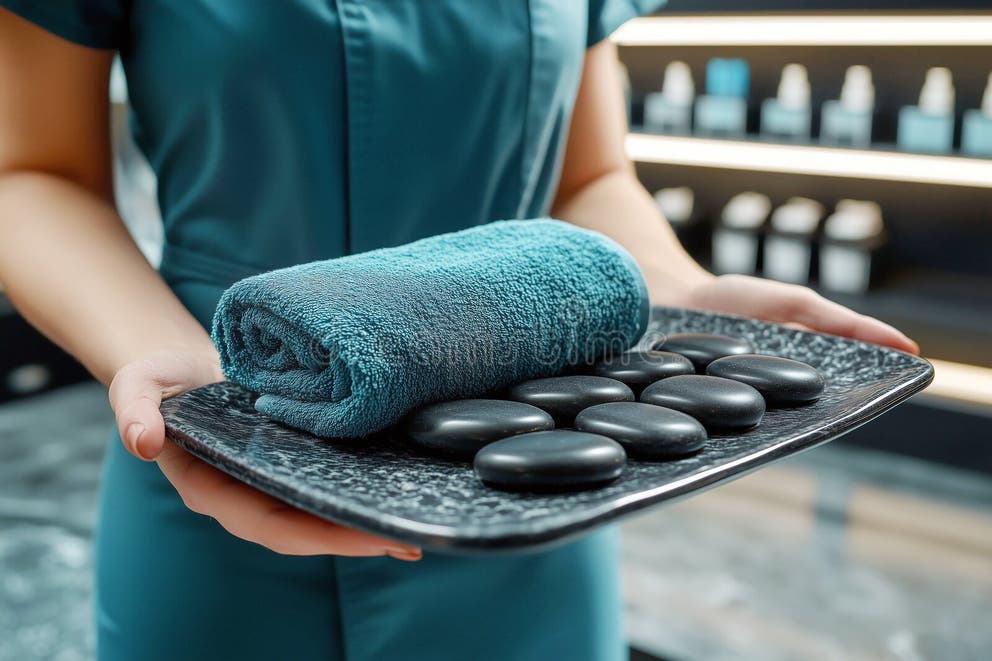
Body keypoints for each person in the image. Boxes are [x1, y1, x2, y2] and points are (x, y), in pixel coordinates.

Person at [0, 3, 918, 659]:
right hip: (231, 415)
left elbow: (588, 176)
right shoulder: (217, 397)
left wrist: (681, 292)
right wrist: (178, 372)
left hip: (532, 467)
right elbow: (31, 171)